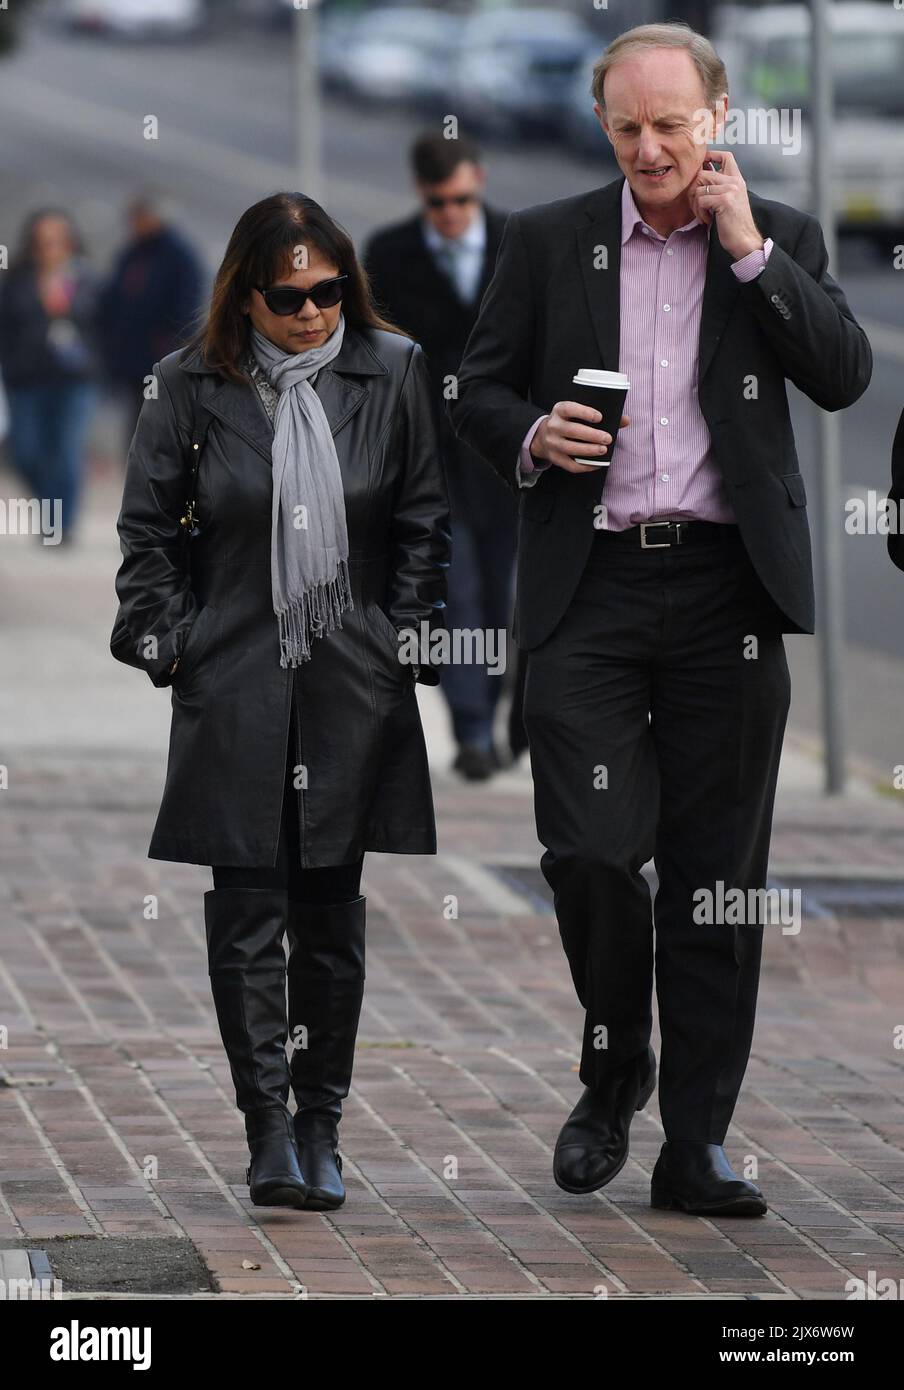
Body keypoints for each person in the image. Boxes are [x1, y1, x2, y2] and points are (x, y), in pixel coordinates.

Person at [449, 23, 871, 1215]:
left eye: (670, 125)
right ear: (603, 127)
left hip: (730, 589)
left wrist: (745, 253)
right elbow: (472, 390)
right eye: (627, 127)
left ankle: (697, 1142)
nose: (649, 148)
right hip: (590, 585)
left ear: (718, 119)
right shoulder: (546, 242)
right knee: (588, 849)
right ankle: (612, 1062)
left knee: (713, 879)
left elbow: (842, 372)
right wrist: (531, 434)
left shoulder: (777, 235)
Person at [111, 192, 451, 1212]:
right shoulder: (186, 384)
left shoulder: (390, 370)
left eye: (327, 292)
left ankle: (320, 1124)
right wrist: (170, 643)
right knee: (249, 911)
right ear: (245, 297)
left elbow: (425, 519)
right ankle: (265, 1129)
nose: (310, 313)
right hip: (237, 678)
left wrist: (401, 639)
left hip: (351, 680)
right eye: (288, 296)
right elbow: (148, 533)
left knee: (330, 913)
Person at [365, 133, 517, 781]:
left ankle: (502, 707)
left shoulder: (519, 243)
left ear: (478, 179)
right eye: (437, 203)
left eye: (460, 198)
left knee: (509, 597)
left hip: (512, 456)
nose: (451, 213)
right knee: (456, 596)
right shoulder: (390, 255)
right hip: (428, 458)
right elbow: (374, 359)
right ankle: (474, 731)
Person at [0, 208, 100, 543]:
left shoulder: (86, 281)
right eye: (42, 243)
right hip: (27, 378)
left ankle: (61, 525)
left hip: (75, 379)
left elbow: (105, 326)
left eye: (57, 242)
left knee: (66, 451)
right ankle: (50, 508)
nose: (50, 249)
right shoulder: (17, 281)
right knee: (25, 452)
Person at [98, 188, 204, 449]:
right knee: (137, 420)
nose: (133, 224)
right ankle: (138, 472)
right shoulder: (131, 253)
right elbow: (113, 300)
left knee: (161, 419)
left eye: (139, 216)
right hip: (132, 357)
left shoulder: (178, 256)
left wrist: (171, 343)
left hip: (163, 355)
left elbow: (186, 306)